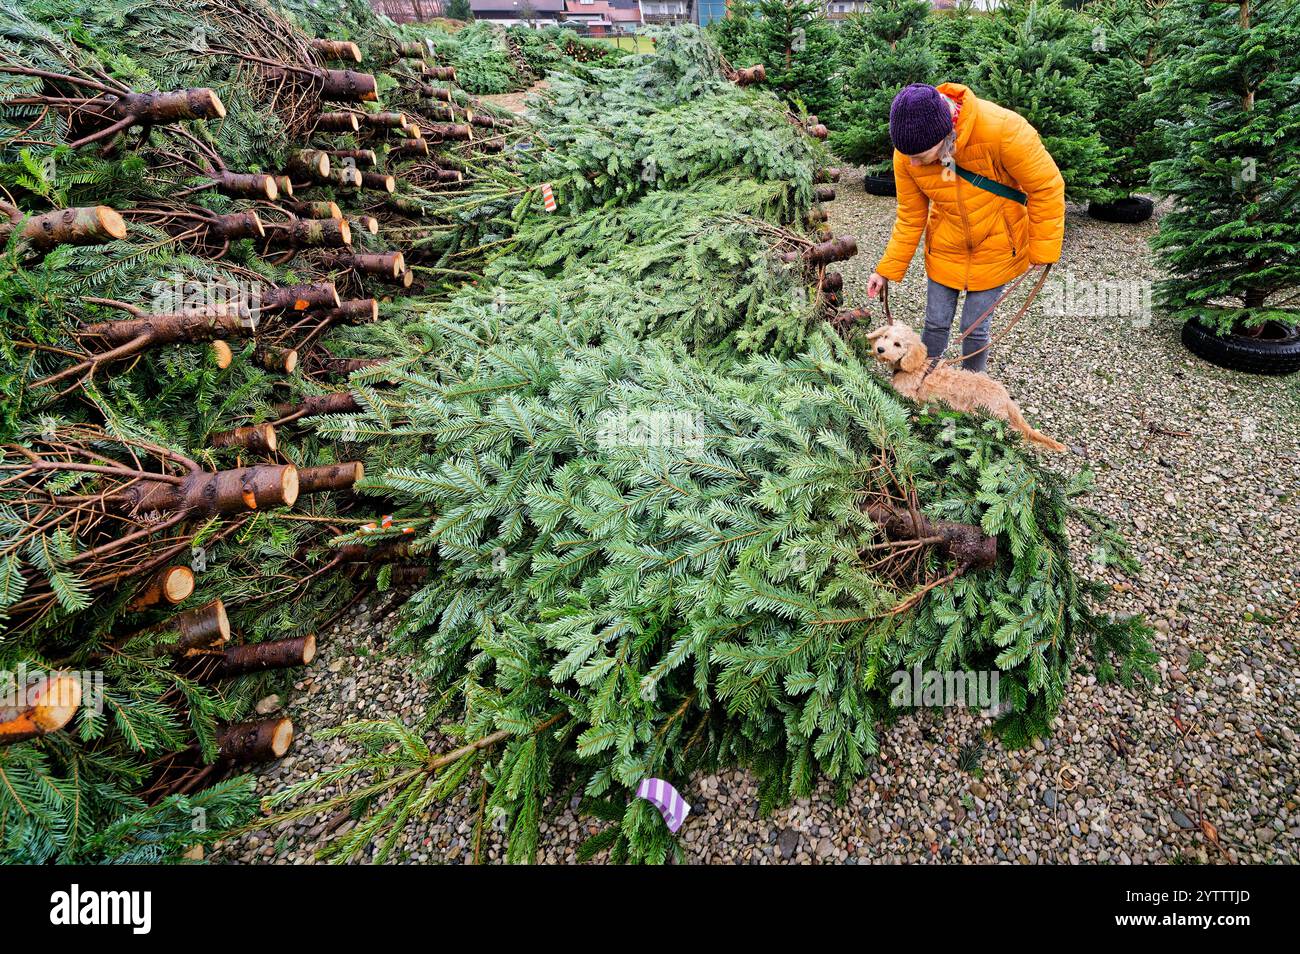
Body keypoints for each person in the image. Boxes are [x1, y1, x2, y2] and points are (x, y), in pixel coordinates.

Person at [866, 83, 1065, 373]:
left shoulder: (1003, 130)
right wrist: (886, 270)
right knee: (934, 324)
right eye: (905, 155)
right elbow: (910, 215)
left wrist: (1043, 250)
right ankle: (923, 382)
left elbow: (1046, 187)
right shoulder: (907, 151)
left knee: (975, 331)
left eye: (920, 156)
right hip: (946, 245)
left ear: (943, 136)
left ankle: (974, 391)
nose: (911, 163)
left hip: (997, 245)